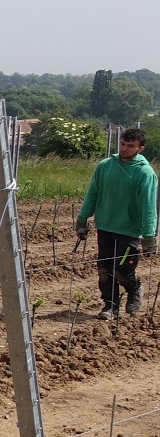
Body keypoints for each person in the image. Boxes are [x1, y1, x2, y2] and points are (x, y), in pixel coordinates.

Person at [76, 127, 158, 321]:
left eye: (130, 146)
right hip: (105, 226)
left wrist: (149, 236)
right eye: (122, 144)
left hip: (130, 230)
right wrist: (82, 218)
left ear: (141, 148)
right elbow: (92, 194)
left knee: (122, 270)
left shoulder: (145, 173)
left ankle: (135, 288)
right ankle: (110, 306)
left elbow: (149, 205)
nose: (124, 149)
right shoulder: (105, 166)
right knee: (105, 270)